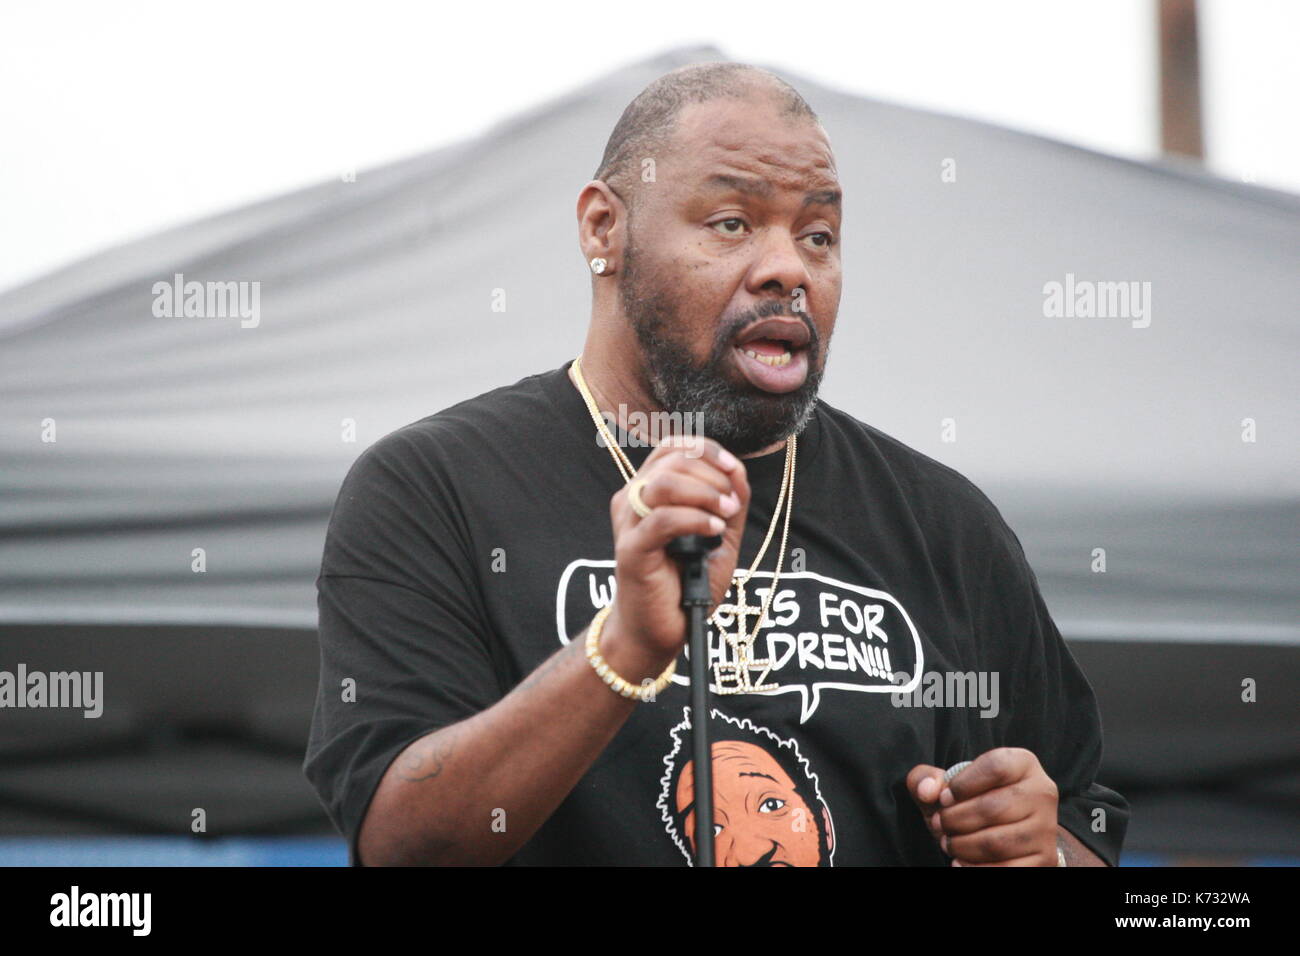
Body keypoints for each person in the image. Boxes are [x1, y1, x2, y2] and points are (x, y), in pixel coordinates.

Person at [303, 62, 1129, 866]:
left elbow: (1082, 819)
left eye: (819, 235)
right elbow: (401, 839)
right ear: (603, 229)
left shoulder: (946, 524)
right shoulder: (436, 488)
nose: (789, 269)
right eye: (732, 223)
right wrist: (621, 647)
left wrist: (1039, 852)